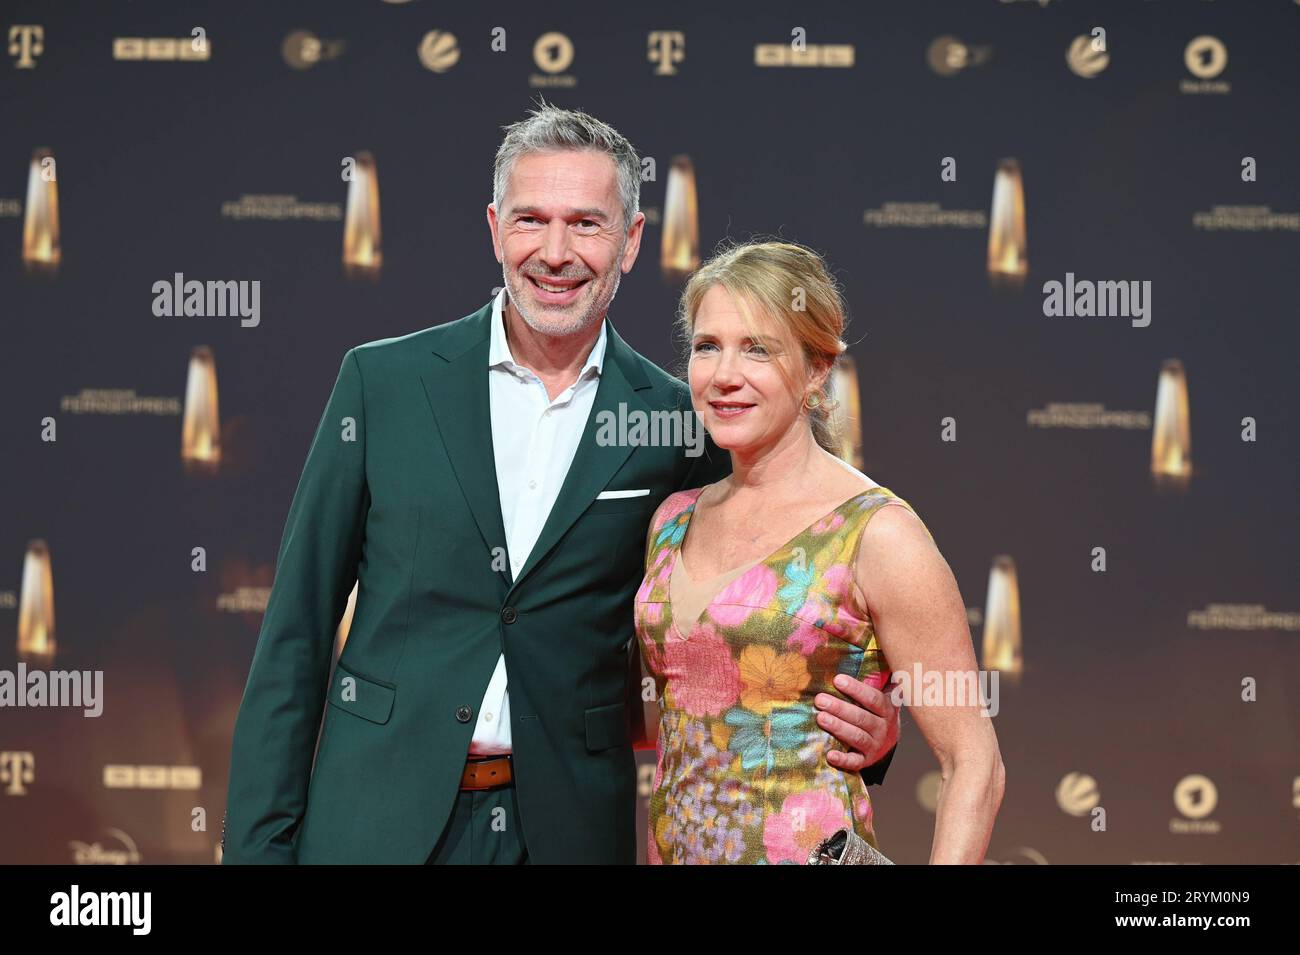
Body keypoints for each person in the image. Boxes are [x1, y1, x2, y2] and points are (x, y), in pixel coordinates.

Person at [221, 103, 901, 865]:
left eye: (586, 223)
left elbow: (763, 616)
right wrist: (257, 850)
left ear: (632, 240)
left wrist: (869, 728)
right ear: (492, 228)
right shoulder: (383, 383)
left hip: (568, 830)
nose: (554, 251)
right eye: (530, 220)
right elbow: (295, 637)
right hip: (371, 822)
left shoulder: (681, 423)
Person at [636, 240, 1005, 864]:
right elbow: (674, 710)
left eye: (758, 348)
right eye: (707, 347)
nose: (725, 374)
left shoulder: (878, 534)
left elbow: (976, 764)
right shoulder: (673, 520)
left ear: (816, 369)